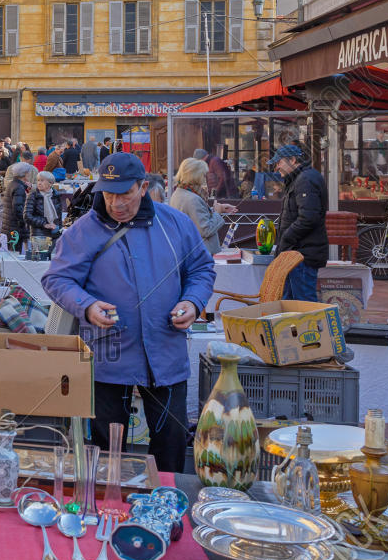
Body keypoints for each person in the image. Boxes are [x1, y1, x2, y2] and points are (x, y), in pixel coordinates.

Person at [43, 153, 214, 476]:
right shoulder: (84, 230)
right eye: (108, 194)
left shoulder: (174, 222)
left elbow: (202, 268)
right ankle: (112, 511)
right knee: (109, 451)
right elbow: (56, 279)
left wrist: (192, 302)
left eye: (125, 194)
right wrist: (87, 305)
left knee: (172, 440)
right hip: (108, 359)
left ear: (143, 187)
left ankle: (166, 507)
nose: (116, 203)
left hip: (165, 354)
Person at [271, 143, 328, 300]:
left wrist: (286, 238)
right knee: (290, 303)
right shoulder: (302, 178)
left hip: (301, 254)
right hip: (298, 252)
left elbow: (308, 218)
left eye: (279, 162)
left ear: (293, 160)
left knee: (303, 303)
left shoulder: (305, 180)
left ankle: (308, 326)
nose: (276, 168)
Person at [168, 158, 236, 255]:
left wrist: (217, 209)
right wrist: (217, 213)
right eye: (203, 175)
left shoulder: (179, 193)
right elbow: (206, 230)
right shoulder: (192, 199)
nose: (205, 178)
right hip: (200, 254)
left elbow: (195, 217)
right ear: (195, 176)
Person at [0, 162, 36, 249]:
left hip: (10, 225)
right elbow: (18, 209)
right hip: (16, 227)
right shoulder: (19, 187)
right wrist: (25, 221)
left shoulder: (12, 184)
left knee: (13, 250)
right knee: (15, 252)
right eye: (28, 173)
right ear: (25, 174)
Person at [22, 172, 62, 241]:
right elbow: (27, 216)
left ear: (50, 183)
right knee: (40, 252)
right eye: (38, 180)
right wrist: (44, 224)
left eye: (42, 180)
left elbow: (59, 216)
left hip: (55, 233)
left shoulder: (56, 196)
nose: (39, 183)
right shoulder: (33, 196)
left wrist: (59, 229)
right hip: (39, 234)